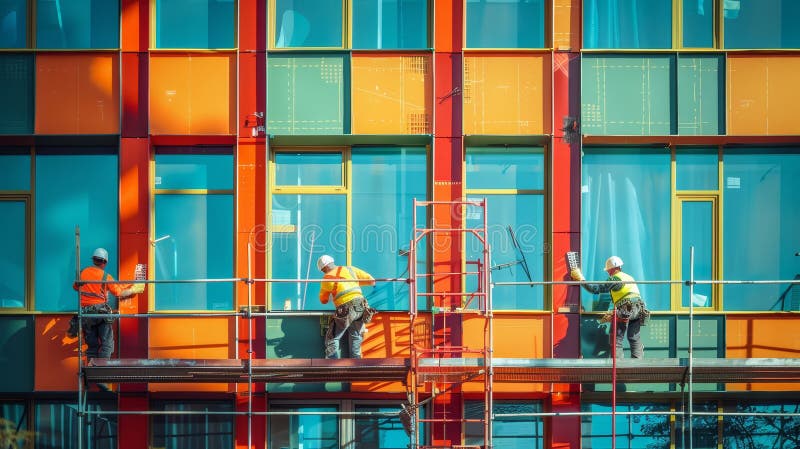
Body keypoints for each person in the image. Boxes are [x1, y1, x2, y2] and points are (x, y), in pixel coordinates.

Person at [72, 248, 137, 391]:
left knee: (92, 346)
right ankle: (101, 377)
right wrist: (133, 290)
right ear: (105, 262)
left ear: (93, 259)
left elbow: (76, 287)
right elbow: (119, 292)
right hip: (100, 313)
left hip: (86, 315)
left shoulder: (83, 273)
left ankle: (89, 377)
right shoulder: (106, 276)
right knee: (107, 344)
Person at [571, 256, 649, 359]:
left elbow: (595, 289)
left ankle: (618, 366)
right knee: (634, 337)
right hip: (639, 308)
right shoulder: (629, 277)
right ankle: (637, 363)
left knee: (616, 339)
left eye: (608, 270)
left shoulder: (615, 279)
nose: (608, 272)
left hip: (626, 308)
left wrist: (581, 279)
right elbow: (624, 295)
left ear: (612, 268)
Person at [317, 255, 375, 359]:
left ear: (324, 268)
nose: (323, 272)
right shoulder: (350, 269)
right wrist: (353, 282)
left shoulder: (326, 278)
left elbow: (323, 300)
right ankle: (356, 363)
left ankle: (332, 363)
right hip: (361, 305)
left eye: (322, 270)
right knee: (356, 335)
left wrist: (332, 293)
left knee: (332, 338)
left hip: (345, 308)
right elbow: (371, 281)